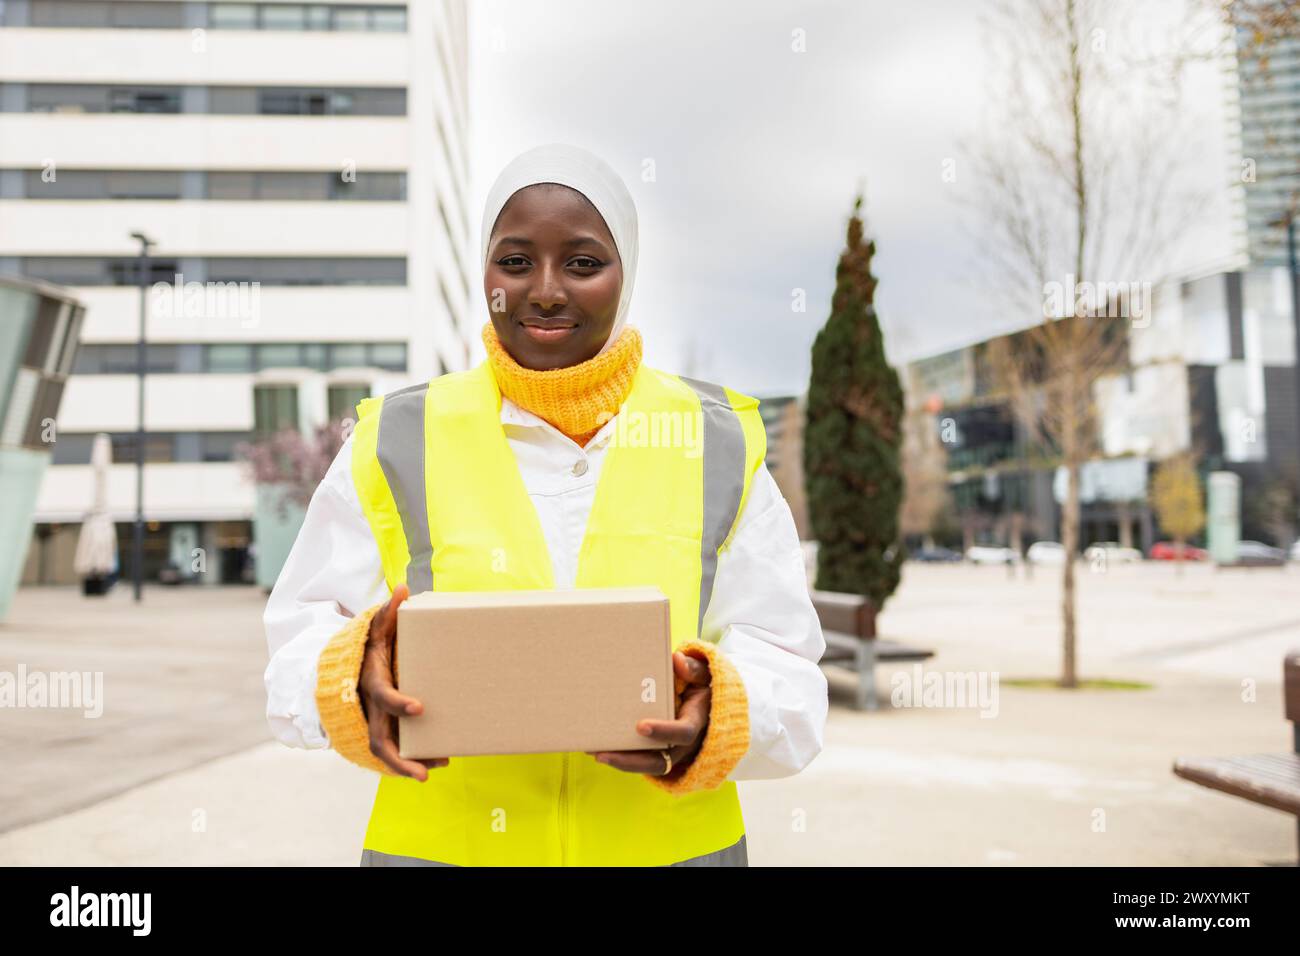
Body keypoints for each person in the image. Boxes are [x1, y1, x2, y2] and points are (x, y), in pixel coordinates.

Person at [263, 142, 828, 867]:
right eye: (516, 261)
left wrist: (720, 712)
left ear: (627, 277)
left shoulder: (714, 440)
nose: (548, 290)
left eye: (584, 263)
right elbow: (297, 644)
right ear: (485, 273)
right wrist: (346, 681)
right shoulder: (395, 439)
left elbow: (789, 671)